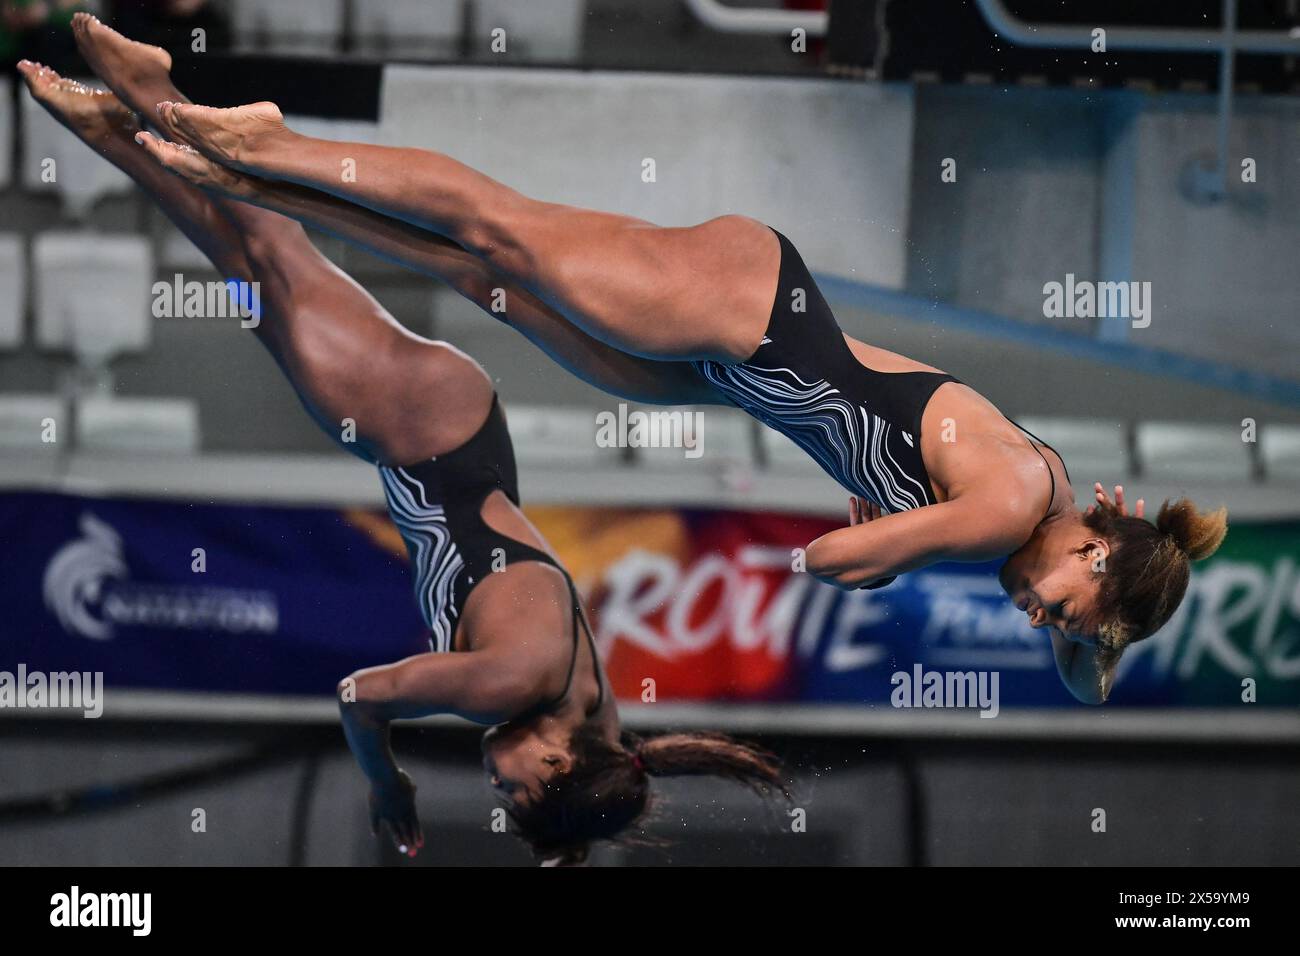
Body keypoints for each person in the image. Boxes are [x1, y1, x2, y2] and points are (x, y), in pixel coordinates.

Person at [92, 15, 1226, 704]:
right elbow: (836, 557)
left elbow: (1085, 663)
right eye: (1067, 612)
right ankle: (268, 140)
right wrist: (874, 554)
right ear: (1089, 548)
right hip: (744, 319)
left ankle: (221, 157)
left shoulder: (1044, 502)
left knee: (478, 274)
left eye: (1063, 630)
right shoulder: (1004, 511)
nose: (1047, 627)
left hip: (716, 367)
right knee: (497, 226)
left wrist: (1098, 578)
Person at [18, 51, 789, 865]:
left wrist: (566, 841)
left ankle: (114, 126)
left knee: (247, 259)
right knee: (269, 238)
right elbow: (362, 696)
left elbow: (605, 783)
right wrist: (387, 782)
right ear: (557, 761)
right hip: (420, 433)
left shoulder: (589, 718)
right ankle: (150, 86)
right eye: (515, 790)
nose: (496, 786)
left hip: (446, 432)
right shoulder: (511, 687)